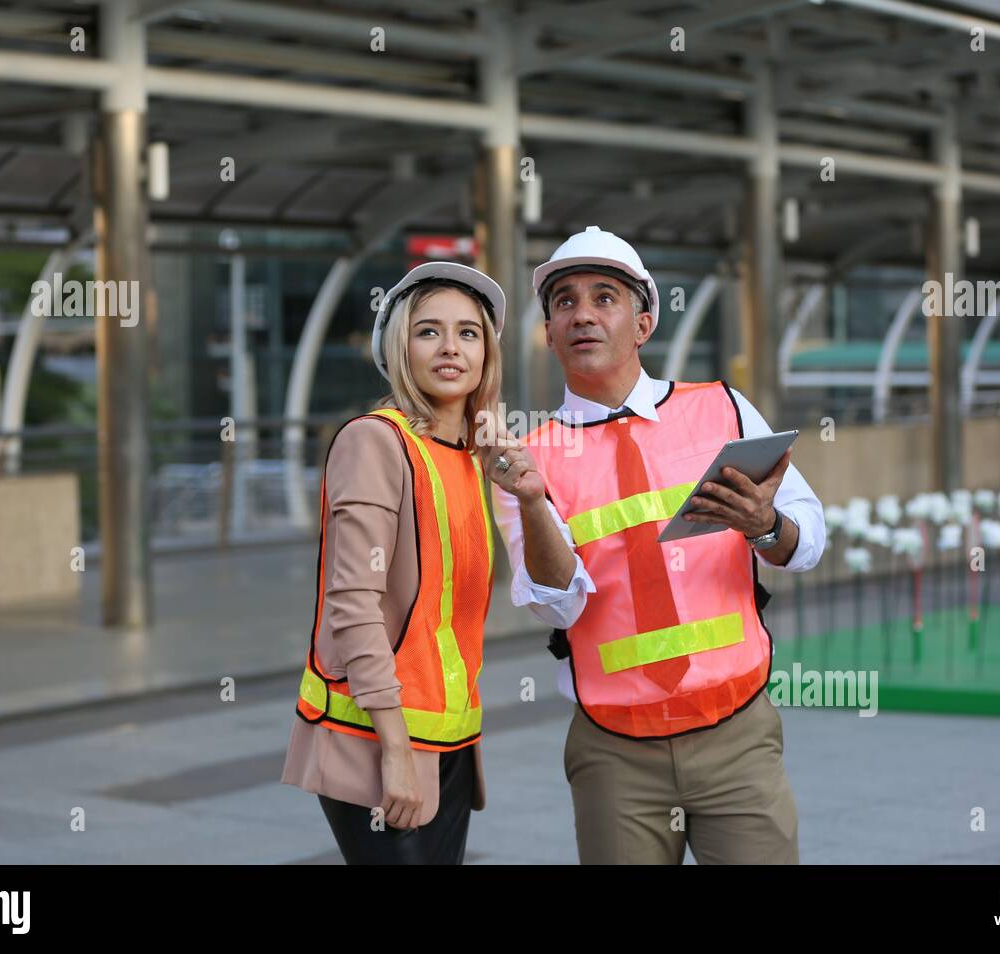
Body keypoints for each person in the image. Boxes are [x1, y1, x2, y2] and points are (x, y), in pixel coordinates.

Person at [482, 226, 826, 865]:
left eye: (604, 297)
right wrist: (532, 500)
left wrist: (765, 525)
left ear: (643, 324)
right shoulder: (525, 461)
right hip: (614, 751)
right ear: (550, 334)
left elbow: (808, 543)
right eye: (564, 302)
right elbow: (554, 608)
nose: (582, 312)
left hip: (739, 734)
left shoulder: (723, 408)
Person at [281, 261, 504, 864]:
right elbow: (353, 602)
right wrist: (396, 751)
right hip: (378, 740)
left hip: (449, 741)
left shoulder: (469, 459)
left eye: (468, 332)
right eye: (428, 331)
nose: (450, 347)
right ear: (398, 348)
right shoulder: (376, 441)